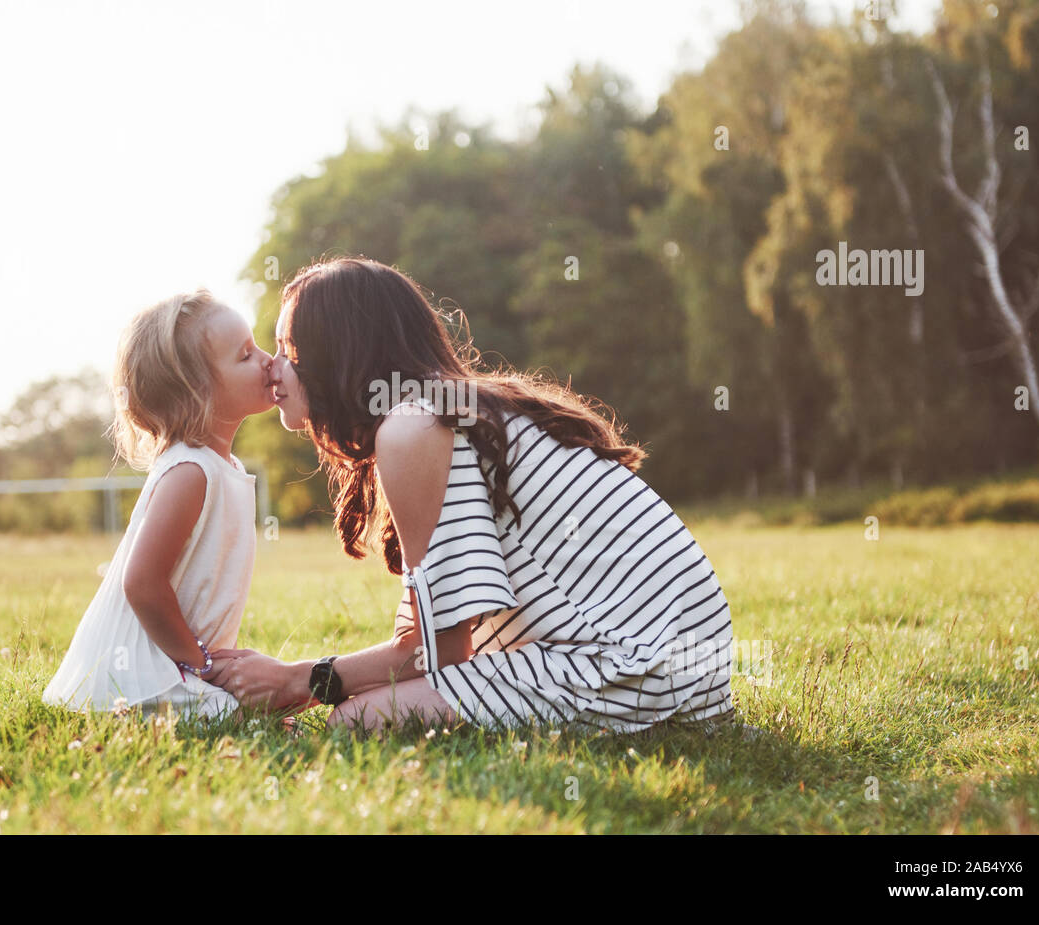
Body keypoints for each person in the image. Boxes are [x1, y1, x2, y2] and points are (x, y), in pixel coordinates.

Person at [206, 257, 738, 734]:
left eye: (288, 349)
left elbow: (438, 655)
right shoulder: (445, 410)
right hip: (681, 667)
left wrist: (298, 678)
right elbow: (427, 635)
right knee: (373, 702)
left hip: (644, 673)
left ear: (338, 354)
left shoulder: (413, 427)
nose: (274, 367)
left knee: (357, 721)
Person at [43, 289, 275, 720]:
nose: (267, 359)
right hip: (129, 678)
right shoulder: (190, 472)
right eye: (245, 356)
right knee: (253, 715)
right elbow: (142, 582)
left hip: (174, 664)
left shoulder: (222, 467)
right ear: (198, 391)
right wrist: (202, 664)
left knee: (271, 700)